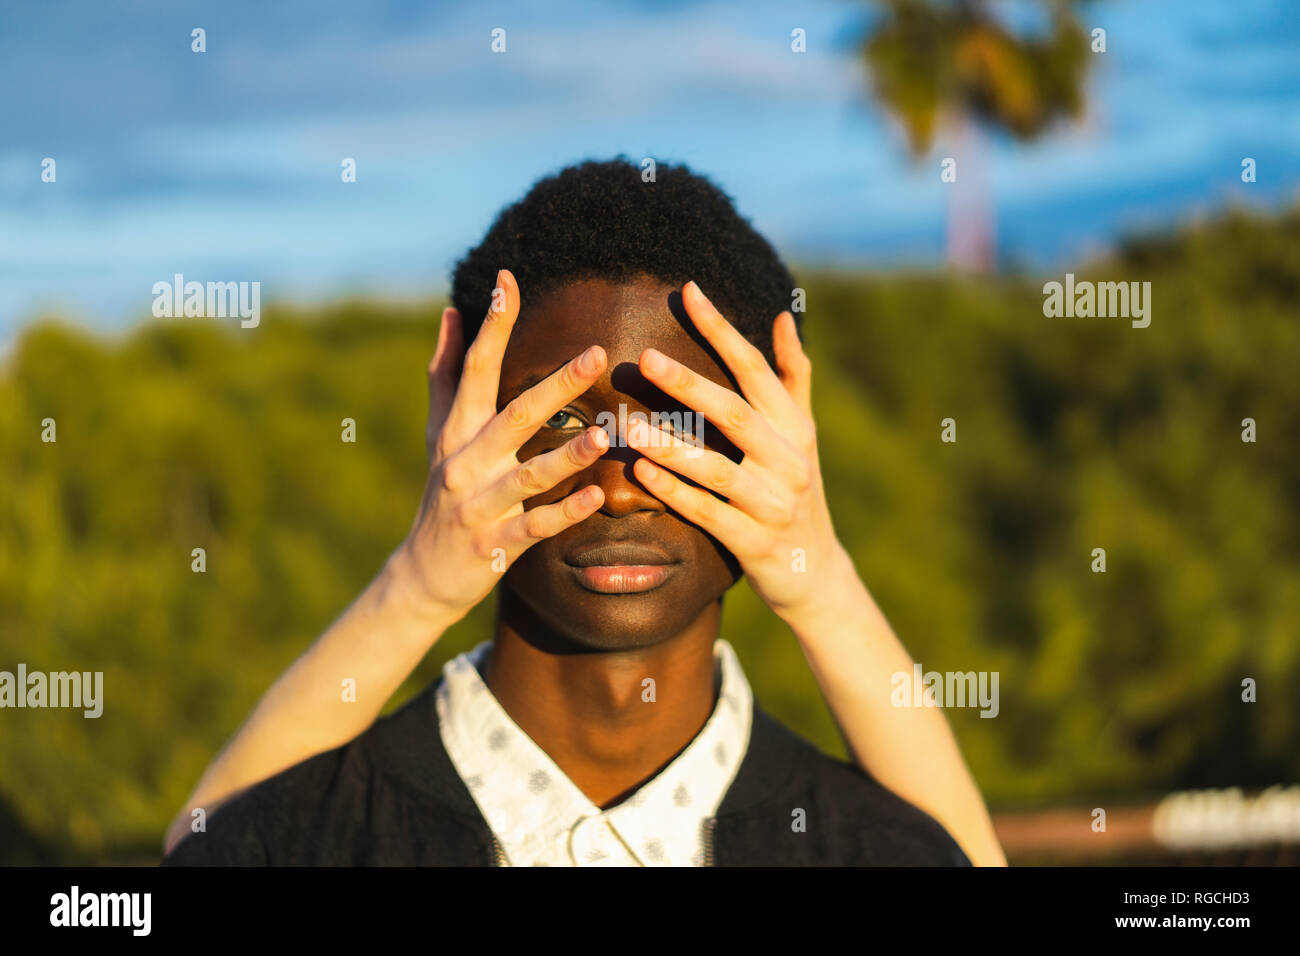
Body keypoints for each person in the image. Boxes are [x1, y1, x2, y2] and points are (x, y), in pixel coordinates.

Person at [162, 158, 1005, 866]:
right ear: (453, 408)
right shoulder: (301, 838)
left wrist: (816, 573)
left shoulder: (881, 849)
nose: (626, 483)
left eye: (683, 424)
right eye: (559, 418)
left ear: (785, 435)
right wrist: (420, 581)